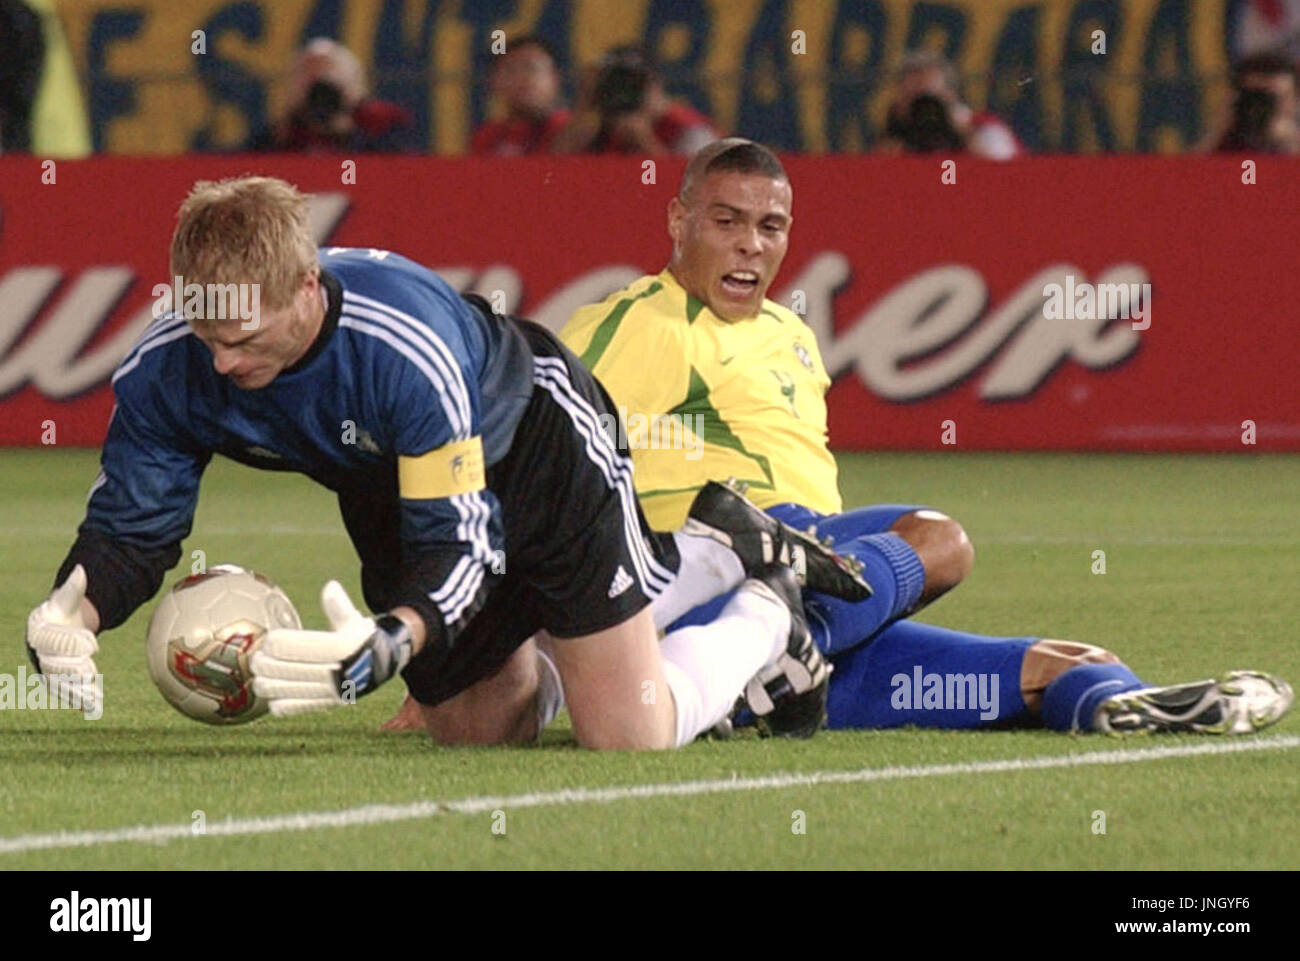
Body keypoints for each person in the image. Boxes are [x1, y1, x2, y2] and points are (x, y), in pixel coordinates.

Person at [23, 175, 877, 751]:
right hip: (390, 478)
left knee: (627, 733)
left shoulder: (402, 350)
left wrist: (397, 636)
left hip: (539, 449)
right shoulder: (175, 361)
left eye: (243, 342)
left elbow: (462, 546)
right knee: (480, 731)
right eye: (205, 335)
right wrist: (77, 611)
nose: (220, 365)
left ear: (308, 290)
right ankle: (602, 620)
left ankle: (756, 591)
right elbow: (136, 522)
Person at [557, 138, 1293, 736]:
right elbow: (548, 454)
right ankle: (783, 622)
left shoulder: (789, 333)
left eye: (770, 226)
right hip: (716, 568)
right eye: (726, 222)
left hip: (817, 624)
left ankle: (1120, 707)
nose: (750, 245)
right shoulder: (641, 324)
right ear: (677, 221)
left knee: (1063, 667)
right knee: (938, 539)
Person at [251, 38, 413, 153]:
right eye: (308, 73)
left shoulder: (381, 121)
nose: (318, 81)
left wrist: (349, 134)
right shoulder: (282, 134)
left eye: (326, 70)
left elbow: (402, 167)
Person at [552, 47, 717, 156]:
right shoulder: (596, 128)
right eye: (614, 84)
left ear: (656, 85)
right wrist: (584, 109)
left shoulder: (688, 130)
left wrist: (647, 144)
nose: (622, 92)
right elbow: (550, 173)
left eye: (632, 85)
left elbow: (697, 196)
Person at [878, 51, 1022, 160]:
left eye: (925, 99)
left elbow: (1004, 166)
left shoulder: (983, 126)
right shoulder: (894, 137)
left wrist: (965, 133)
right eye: (908, 96)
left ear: (949, 95)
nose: (919, 107)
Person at [471, 36, 571, 156]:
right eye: (511, 70)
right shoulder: (487, 136)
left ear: (555, 77)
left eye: (532, 68)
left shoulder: (573, 130)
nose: (521, 78)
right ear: (493, 81)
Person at [1207, 50, 1300, 154]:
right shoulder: (1223, 142)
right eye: (1256, 97)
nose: (1262, 107)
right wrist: (1218, 134)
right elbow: (1194, 167)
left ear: (1295, 100)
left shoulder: (1294, 143)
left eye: (1273, 99)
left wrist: (1291, 145)